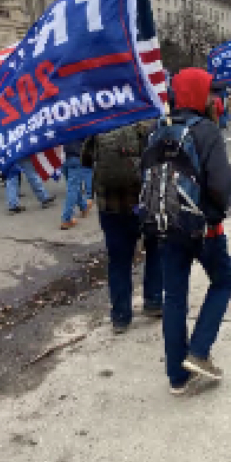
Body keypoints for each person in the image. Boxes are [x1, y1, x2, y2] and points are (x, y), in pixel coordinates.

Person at [146, 68, 231, 396]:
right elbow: (220, 185)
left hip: (166, 224)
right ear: (200, 94)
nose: (214, 98)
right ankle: (198, 351)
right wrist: (215, 215)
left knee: (174, 298)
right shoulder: (207, 131)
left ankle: (176, 377)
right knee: (223, 281)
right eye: (210, 92)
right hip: (203, 226)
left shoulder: (159, 129)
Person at [82, 121, 162, 332]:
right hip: (141, 204)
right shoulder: (144, 126)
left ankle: (120, 316)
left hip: (110, 208)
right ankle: (153, 301)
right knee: (154, 249)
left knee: (118, 262)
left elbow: (86, 160)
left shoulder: (97, 128)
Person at [60, 138, 93, 229]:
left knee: (73, 186)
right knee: (73, 188)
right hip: (75, 155)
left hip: (63, 156)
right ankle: (67, 218)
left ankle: (84, 206)